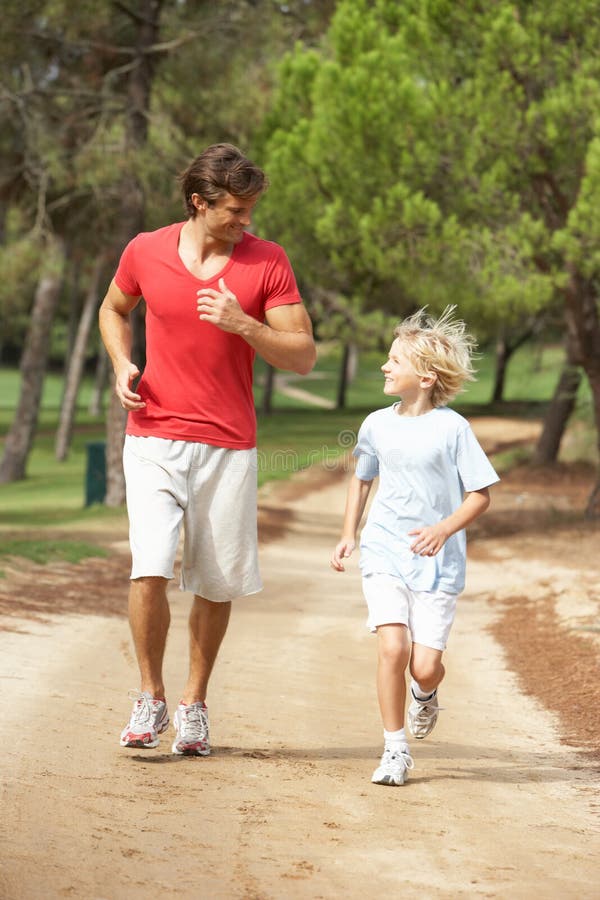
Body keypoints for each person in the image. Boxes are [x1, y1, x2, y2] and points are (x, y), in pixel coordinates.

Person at [99, 143, 316, 755]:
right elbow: (114, 308)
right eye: (235, 210)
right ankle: (149, 697)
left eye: (250, 210)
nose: (247, 222)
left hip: (227, 445)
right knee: (150, 565)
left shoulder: (267, 262)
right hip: (153, 439)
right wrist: (122, 364)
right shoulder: (144, 249)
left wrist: (242, 323)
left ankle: (193, 704)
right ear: (199, 202)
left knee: (216, 583)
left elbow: (303, 356)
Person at [330, 307, 499, 786]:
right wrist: (349, 534)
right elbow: (361, 481)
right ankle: (395, 750)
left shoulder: (453, 429)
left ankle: (426, 696)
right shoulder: (375, 425)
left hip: (439, 561)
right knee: (393, 646)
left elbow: (480, 495)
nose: (385, 367)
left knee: (424, 668)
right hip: (384, 550)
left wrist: (444, 529)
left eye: (394, 361)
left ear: (425, 376)